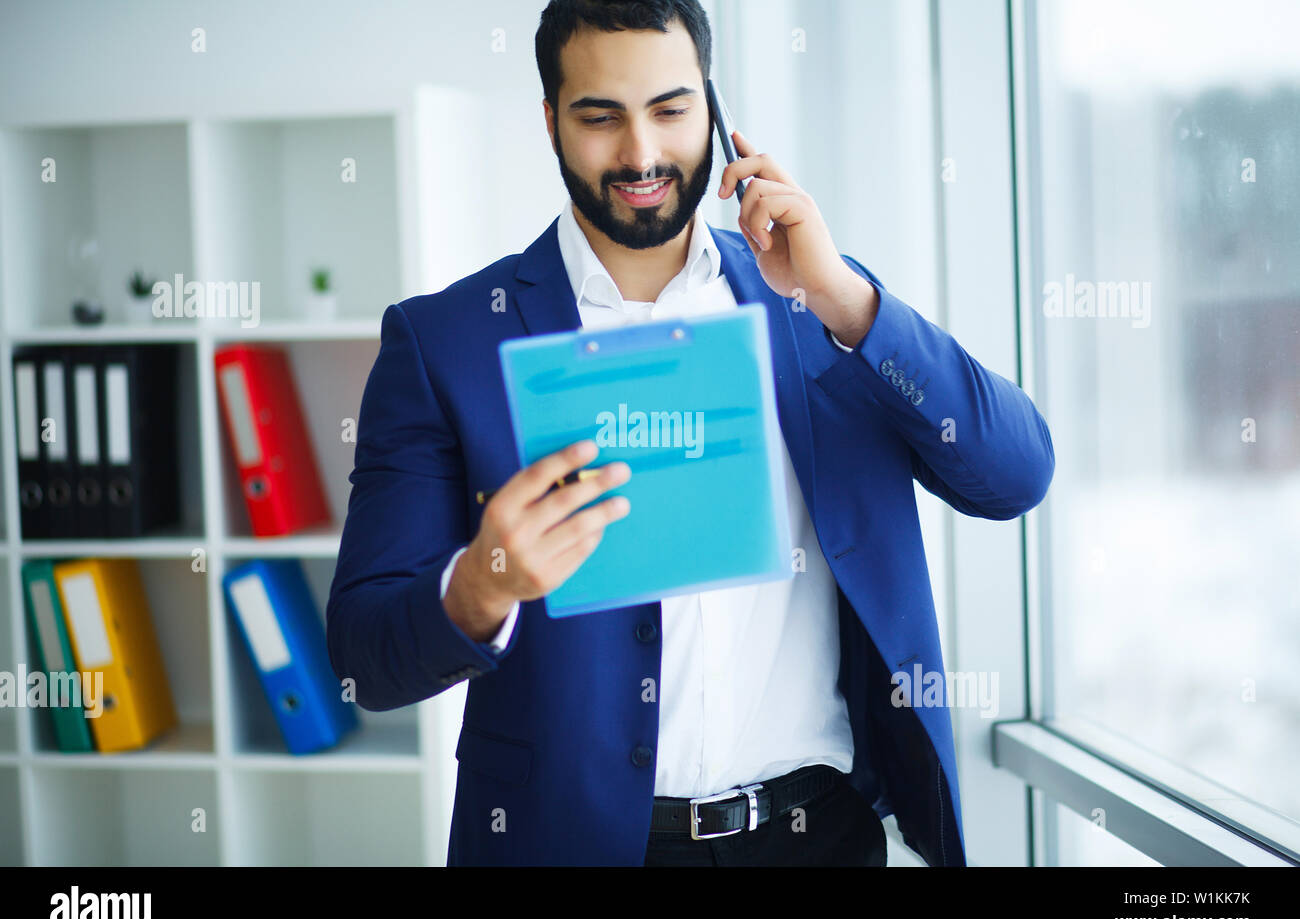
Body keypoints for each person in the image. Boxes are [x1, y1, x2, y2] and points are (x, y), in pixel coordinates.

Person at [326, 0, 1054, 867]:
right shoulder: (445, 341)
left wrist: (846, 302)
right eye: (601, 117)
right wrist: (487, 581)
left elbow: (1017, 474)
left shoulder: (817, 303)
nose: (640, 154)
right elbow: (366, 661)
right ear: (551, 119)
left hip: (816, 839)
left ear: (716, 110)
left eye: (671, 110)